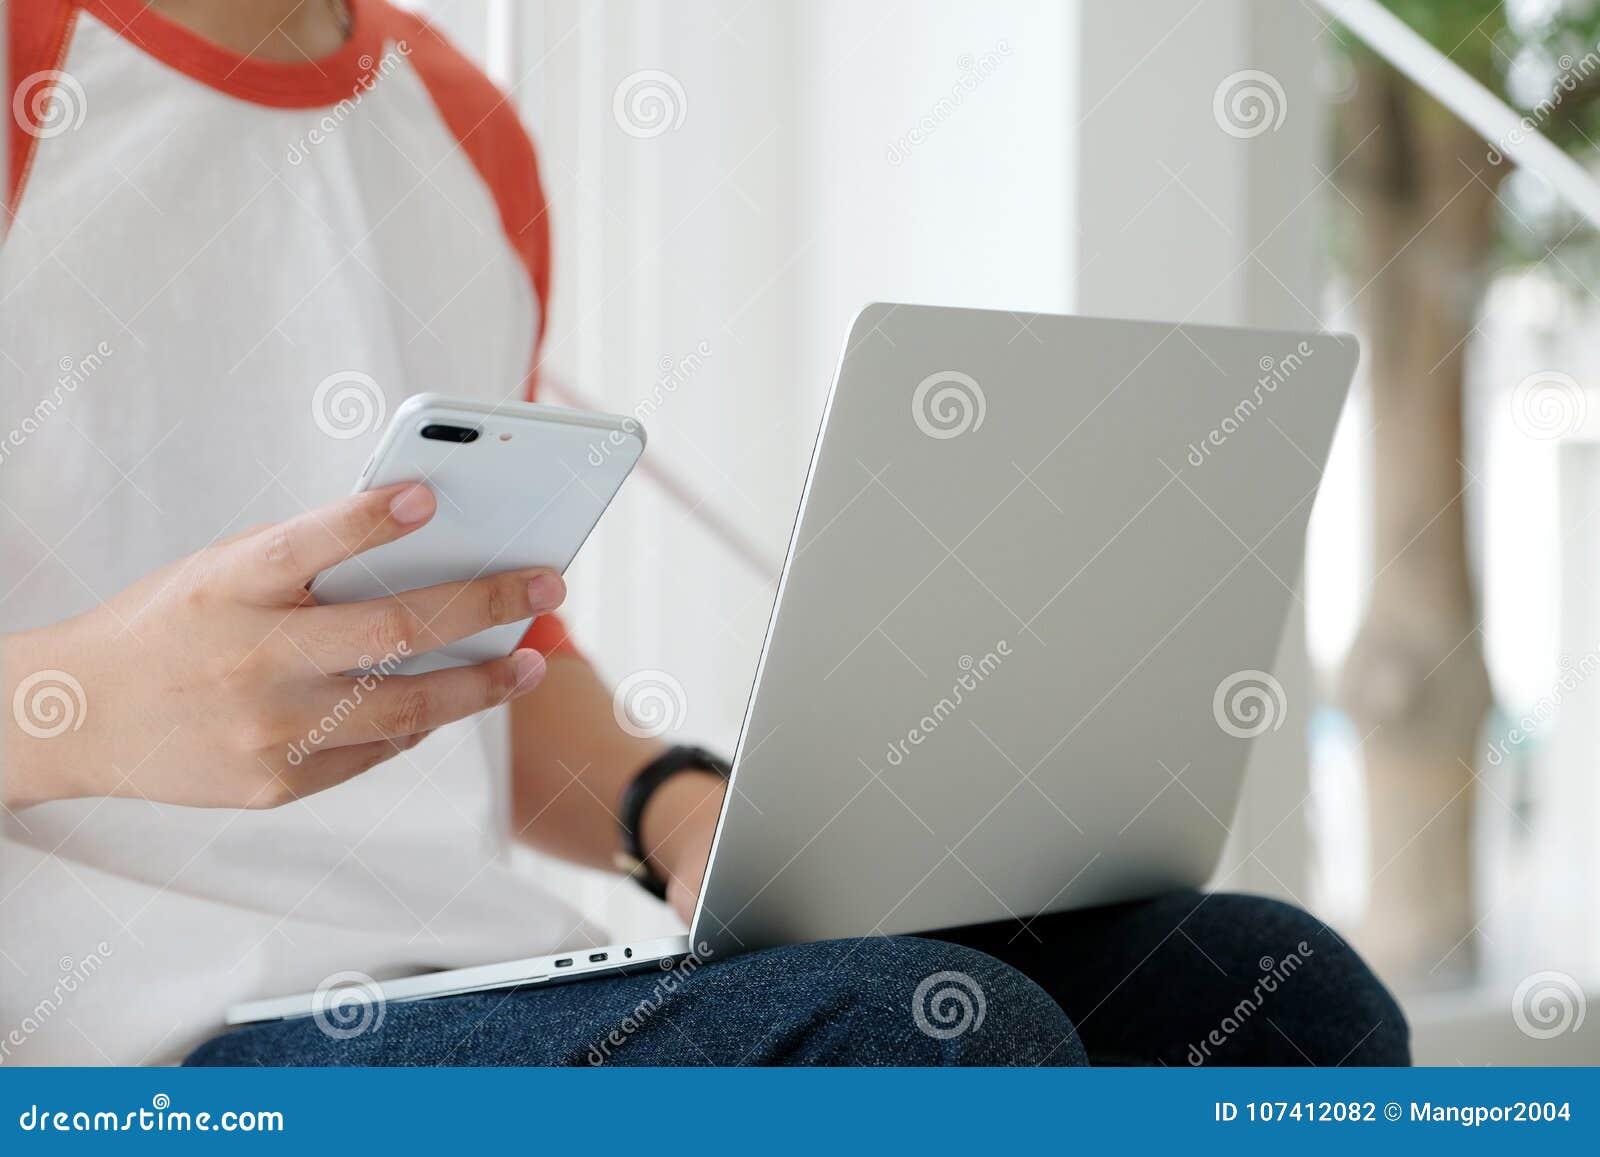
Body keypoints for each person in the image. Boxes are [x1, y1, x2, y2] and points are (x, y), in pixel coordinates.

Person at [0, 0, 1409, 1067]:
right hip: (143, 1036)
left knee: (1274, 989)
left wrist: (676, 806)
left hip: (467, 972)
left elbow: (470, 634)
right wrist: (81, 710)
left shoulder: (464, 129)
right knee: (913, 1046)